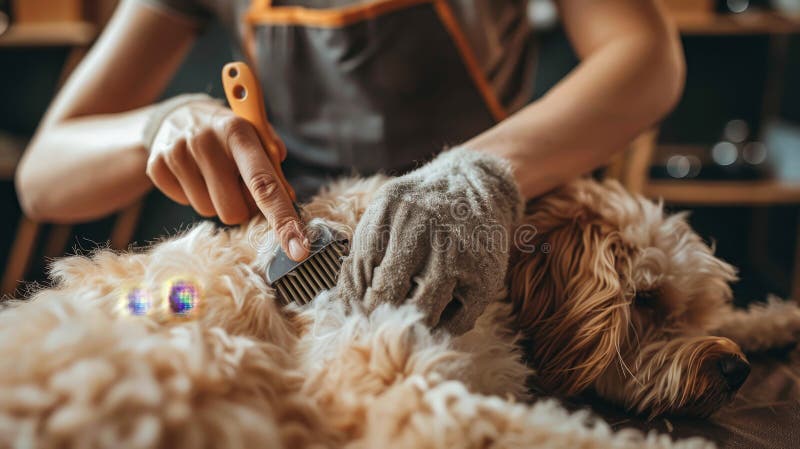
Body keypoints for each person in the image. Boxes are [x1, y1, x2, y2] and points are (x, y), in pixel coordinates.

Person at [15, 0, 684, 333]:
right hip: (305, 274)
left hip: (487, 259)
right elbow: (43, 176)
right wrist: (157, 126)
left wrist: (472, 173)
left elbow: (647, 56)